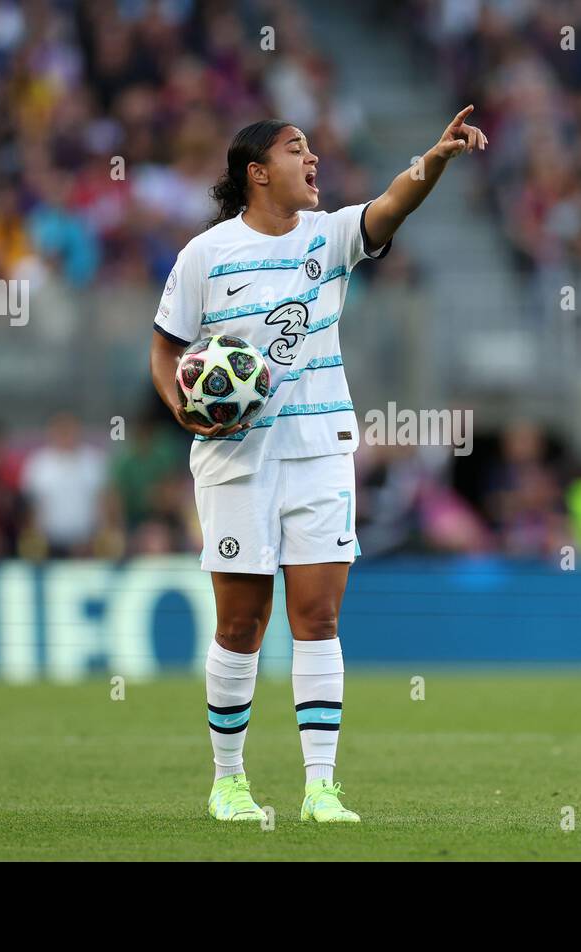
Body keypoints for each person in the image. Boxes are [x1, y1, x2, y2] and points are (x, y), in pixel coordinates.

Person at [149, 108, 487, 823]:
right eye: (296, 149)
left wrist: (436, 158)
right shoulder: (205, 256)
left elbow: (394, 202)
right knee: (242, 624)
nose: (313, 161)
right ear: (257, 172)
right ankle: (229, 783)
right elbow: (165, 349)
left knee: (319, 615)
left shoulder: (330, 236)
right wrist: (183, 409)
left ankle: (321, 789)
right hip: (236, 460)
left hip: (321, 455)